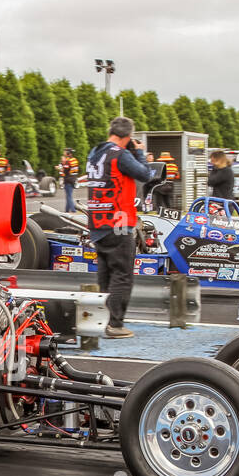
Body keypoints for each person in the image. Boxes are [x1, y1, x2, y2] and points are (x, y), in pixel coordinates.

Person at [86, 116, 154, 339]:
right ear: (128, 136)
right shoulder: (120, 153)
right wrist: (139, 153)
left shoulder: (95, 152)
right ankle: (115, 324)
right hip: (118, 222)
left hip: (97, 221)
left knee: (105, 275)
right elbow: (145, 174)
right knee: (122, 275)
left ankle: (102, 320)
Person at [58, 148, 80, 213]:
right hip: (73, 179)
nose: (64, 153)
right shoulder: (74, 160)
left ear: (68, 153)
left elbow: (65, 171)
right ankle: (67, 210)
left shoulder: (68, 161)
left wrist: (60, 168)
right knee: (68, 195)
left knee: (69, 196)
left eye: (65, 152)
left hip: (68, 179)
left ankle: (73, 210)